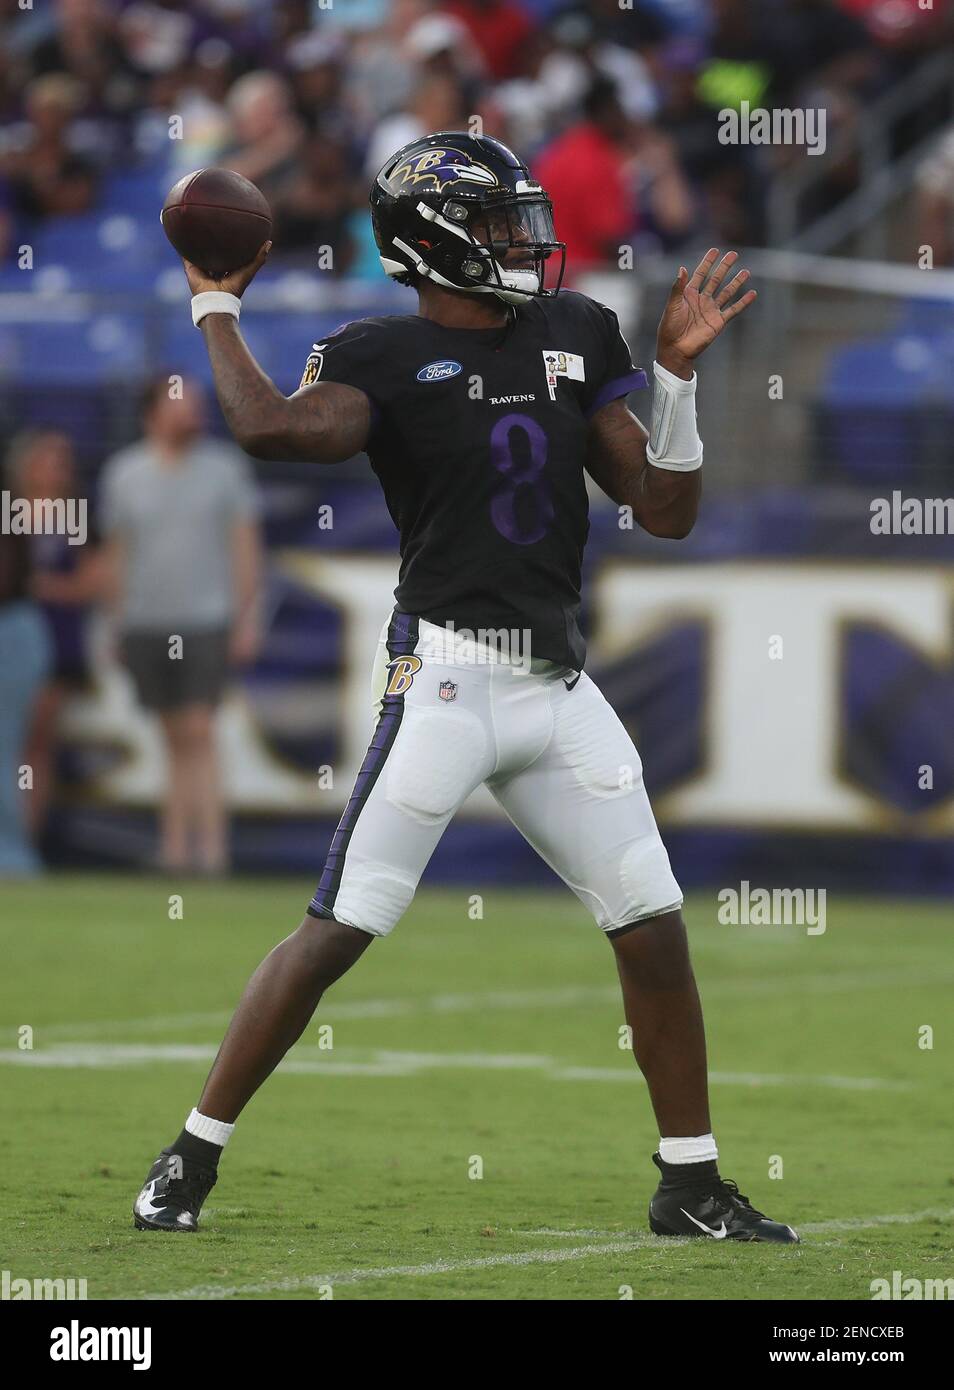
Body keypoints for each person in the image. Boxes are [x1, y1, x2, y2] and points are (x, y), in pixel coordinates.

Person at [132, 131, 797, 1244]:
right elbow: (269, 427)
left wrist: (676, 376)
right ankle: (189, 1154)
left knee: (654, 927)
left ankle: (690, 1182)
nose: (521, 240)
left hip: (557, 683)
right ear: (434, 242)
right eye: (495, 223)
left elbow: (666, 508)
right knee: (338, 931)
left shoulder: (577, 330)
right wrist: (215, 306)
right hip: (445, 674)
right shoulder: (379, 355)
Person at [99, 376, 263, 875]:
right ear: (153, 412)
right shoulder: (123, 474)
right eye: (180, 404)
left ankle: (211, 851)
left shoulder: (223, 470)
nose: (192, 413)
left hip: (206, 618)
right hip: (147, 620)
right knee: (173, 736)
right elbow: (117, 555)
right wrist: (114, 622)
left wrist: (245, 616)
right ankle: (176, 848)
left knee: (198, 728)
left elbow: (245, 549)